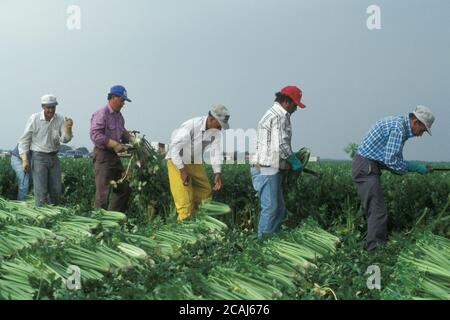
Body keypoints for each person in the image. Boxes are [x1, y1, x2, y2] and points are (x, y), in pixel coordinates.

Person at [352, 105, 435, 251]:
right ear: (415, 122)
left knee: (374, 209)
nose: (421, 134)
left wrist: (414, 167)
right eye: (422, 130)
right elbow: (391, 161)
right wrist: (414, 167)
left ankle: (374, 245)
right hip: (366, 167)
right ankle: (375, 251)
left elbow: (390, 159)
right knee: (378, 211)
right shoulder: (398, 129)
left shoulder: (398, 125)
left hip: (366, 166)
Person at [251, 86, 306, 240]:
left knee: (279, 208)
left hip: (270, 167)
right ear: (286, 101)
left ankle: (270, 240)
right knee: (271, 208)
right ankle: (262, 244)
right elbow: (281, 144)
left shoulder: (274, 114)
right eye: (295, 104)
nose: (296, 108)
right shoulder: (279, 116)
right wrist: (293, 160)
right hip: (266, 168)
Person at [166, 105, 230, 222]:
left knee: (205, 191)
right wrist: (182, 170)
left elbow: (216, 152)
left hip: (194, 161)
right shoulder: (191, 126)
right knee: (184, 200)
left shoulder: (215, 132)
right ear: (211, 119)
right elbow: (174, 150)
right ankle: (183, 230)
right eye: (219, 124)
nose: (220, 128)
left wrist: (217, 173)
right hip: (177, 162)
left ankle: (198, 222)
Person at [18, 94, 73, 206]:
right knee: (41, 191)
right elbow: (24, 140)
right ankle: (41, 216)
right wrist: (25, 160)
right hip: (39, 157)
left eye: (53, 107)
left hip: (54, 157)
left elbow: (65, 140)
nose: (51, 110)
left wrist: (69, 128)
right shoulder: (34, 119)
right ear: (43, 107)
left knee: (56, 190)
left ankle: (55, 215)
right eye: (48, 107)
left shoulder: (60, 119)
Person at [90, 85, 134, 212]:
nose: (123, 104)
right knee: (103, 193)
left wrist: (131, 139)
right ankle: (98, 224)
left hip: (114, 157)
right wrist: (114, 144)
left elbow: (122, 133)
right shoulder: (101, 113)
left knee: (124, 188)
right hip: (103, 155)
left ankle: (114, 218)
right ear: (113, 98)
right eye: (122, 100)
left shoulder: (119, 116)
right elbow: (95, 135)